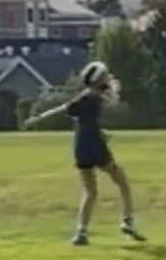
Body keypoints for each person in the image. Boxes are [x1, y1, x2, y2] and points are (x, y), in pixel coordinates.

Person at [24, 60, 145, 246]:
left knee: (90, 191)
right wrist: (38, 118)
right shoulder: (91, 96)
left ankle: (81, 233)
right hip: (95, 145)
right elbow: (64, 110)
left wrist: (37, 119)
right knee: (122, 182)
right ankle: (127, 222)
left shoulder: (88, 96)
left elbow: (81, 119)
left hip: (80, 146)